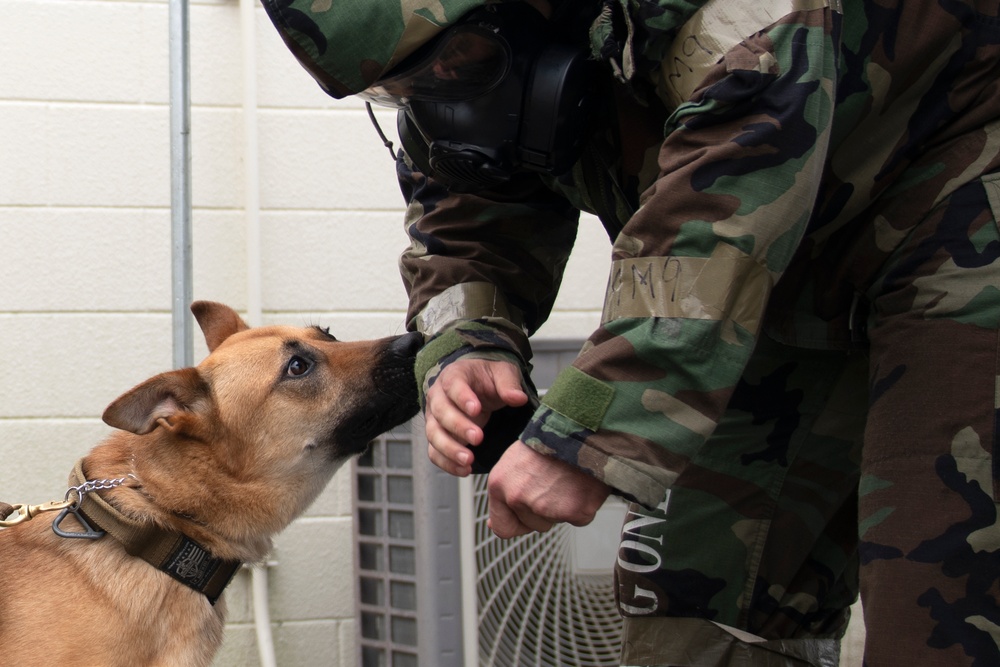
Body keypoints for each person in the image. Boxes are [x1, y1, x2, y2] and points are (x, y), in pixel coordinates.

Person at [263, 0, 1000, 664]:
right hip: (773, 277)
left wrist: (586, 435)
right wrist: (467, 342)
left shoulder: (739, 18)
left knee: (943, 603)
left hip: (959, 206)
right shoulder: (463, 71)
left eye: (457, 62)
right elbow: (462, 214)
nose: (441, 101)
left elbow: (716, 225)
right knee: (694, 603)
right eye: (404, 89)